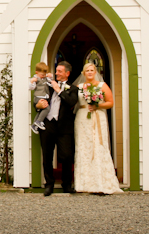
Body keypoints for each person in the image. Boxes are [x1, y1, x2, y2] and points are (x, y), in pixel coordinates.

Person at [73, 62, 122, 194]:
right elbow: (71, 101)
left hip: (98, 117)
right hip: (82, 117)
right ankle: (84, 183)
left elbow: (110, 102)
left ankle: (101, 182)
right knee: (84, 147)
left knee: (98, 145)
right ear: (83, 73)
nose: (89, 72)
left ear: (95, 72)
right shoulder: (79, 87)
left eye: (91, 70)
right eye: (87, 70)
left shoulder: (102, 86)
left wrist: (97, 106)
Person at [36, 61, 79, 195]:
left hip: (64, 127)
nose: (56, 73)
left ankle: (67, 184)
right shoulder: (47, 86)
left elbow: (71, 102)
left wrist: (59, 90)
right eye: (56, 71)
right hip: (48, 124)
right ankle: (49, 184)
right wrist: (38, 105)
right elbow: (37, 98)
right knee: (47, 155)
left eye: (59, 71)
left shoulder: (73, 89)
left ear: (67, 73)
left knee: (66, 156)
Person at [29, 62, 51, 134]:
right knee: (47, 108)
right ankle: (38, 121)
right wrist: (32, 81)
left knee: (41, 111)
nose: (43, 76)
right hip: (38, 97)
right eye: (42, 75)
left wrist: (49, 76)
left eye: (44, 74)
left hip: (44, 96)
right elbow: (31, 88)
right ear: (37, 72)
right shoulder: (36, 79)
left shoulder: (45, 78)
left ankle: (34, 125)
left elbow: (50, 81)